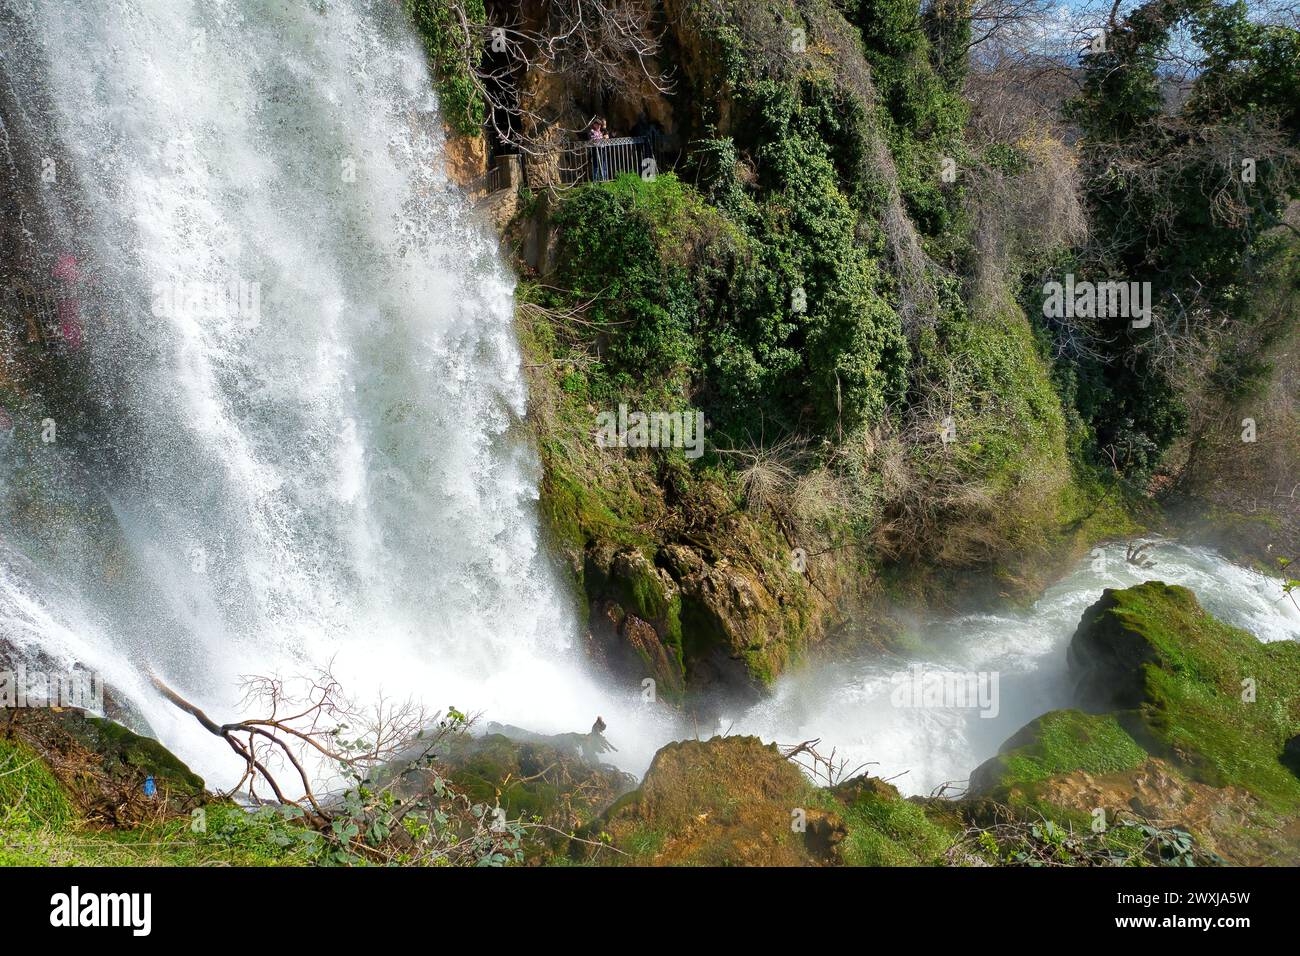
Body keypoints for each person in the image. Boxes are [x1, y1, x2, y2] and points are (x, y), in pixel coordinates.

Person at [587, 117, 609, 182]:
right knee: (596, 167)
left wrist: (604, 138)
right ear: (594, 125)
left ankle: (604, 180)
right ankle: (595, 181)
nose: (599, 126)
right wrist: (598, 139)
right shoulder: (592, 132)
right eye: (597, 124)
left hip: (602, 150)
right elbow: (592, 139)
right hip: (595, 151)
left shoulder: (602, 131)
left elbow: (607, 138)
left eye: (599, 124)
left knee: (603, 166)